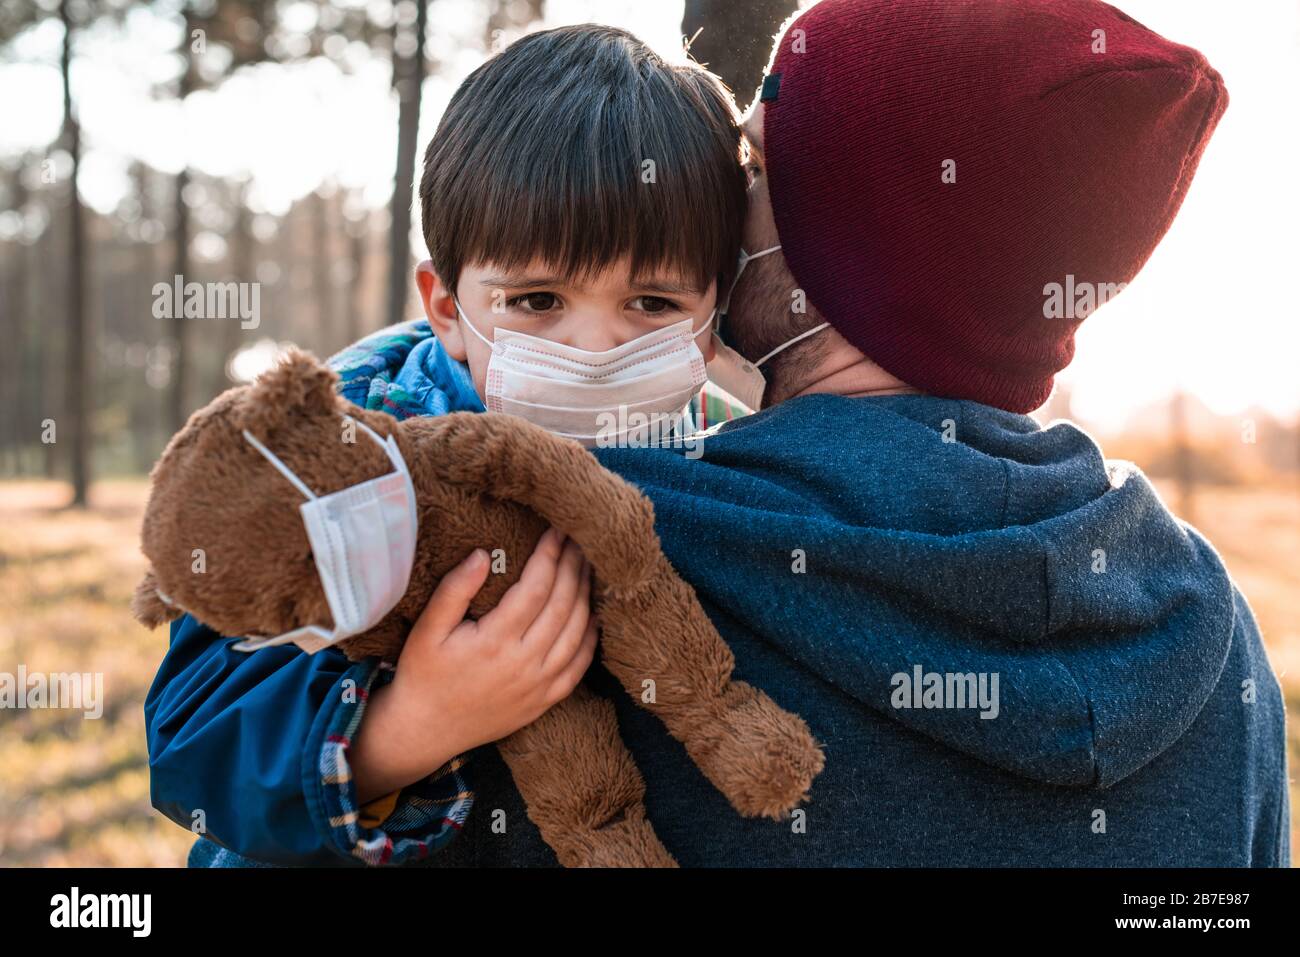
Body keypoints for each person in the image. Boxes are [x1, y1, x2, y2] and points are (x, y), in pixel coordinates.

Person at [147, 0, 1290, 867]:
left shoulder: (564, 558)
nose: (725, 199)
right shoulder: (1211, 631)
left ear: (822, 244)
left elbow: (232, 818)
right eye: (537, 301)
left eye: (758, 164)